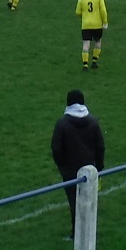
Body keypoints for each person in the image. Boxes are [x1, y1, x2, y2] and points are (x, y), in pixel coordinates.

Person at [51, 89, 105, 238]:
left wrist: (62, 165)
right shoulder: (93, 122)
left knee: (74, 203)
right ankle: (89, 232)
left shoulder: (62, 124)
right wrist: (99, 166)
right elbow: (100, 146)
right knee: (89, 201)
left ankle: (77, 234)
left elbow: (56, 148)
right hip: (90, 169)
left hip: (70, 171)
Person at [76, 0, 109, 69]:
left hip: (86, 25)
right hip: (97, 24)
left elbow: (78, 12)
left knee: (86, 44)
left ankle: (85, 64)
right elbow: (103, 11)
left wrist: (85, 17)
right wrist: (105, 23)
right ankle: (94, 61)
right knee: (98, 42)